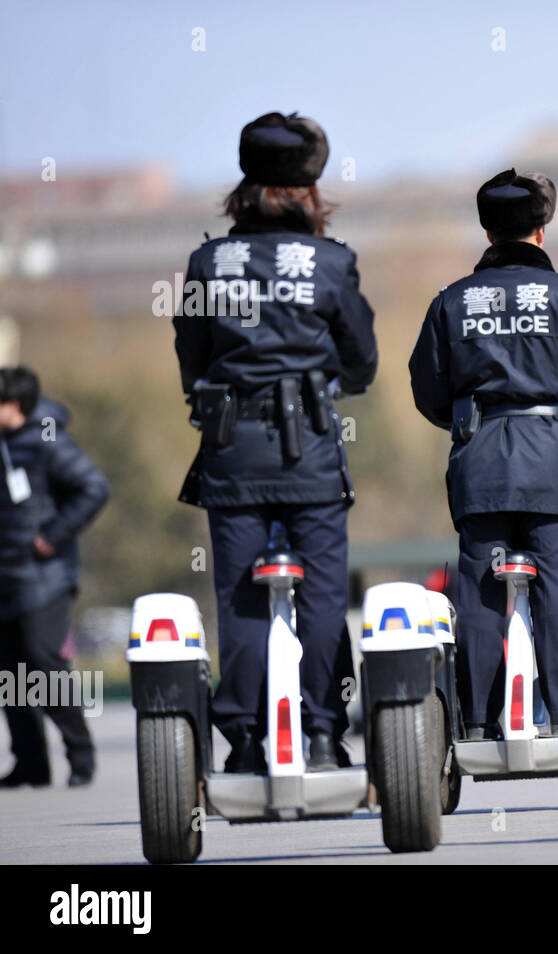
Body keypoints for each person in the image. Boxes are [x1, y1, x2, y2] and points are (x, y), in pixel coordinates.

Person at [173, 112, 378, 772]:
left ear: (244, 188)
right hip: (312, 448)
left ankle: (244, 743)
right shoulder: (330, 261)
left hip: (232, 452)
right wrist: (325, 383)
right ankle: (321, 735)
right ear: (309, 192)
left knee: (237, 597)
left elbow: (193, 358)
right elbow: (362, 361)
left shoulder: (210, 262)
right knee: (321, 596)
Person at [409, 169, 558, 740]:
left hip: (480, 465)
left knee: (479, 595)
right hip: (552, 462)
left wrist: (465, 418)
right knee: (557, 592)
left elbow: (427, 391)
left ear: (486, 230)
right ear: (541, 230)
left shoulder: (452, 302)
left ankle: (477, 723)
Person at [0, 366, 109, 787]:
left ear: (13, 405)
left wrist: (52, 535)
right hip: (6, 574)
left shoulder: (48, 438)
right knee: (11, 674)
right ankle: (30, 763)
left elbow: (94, 487)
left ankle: (80, 756)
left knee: (44, 664)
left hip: (43, 575)